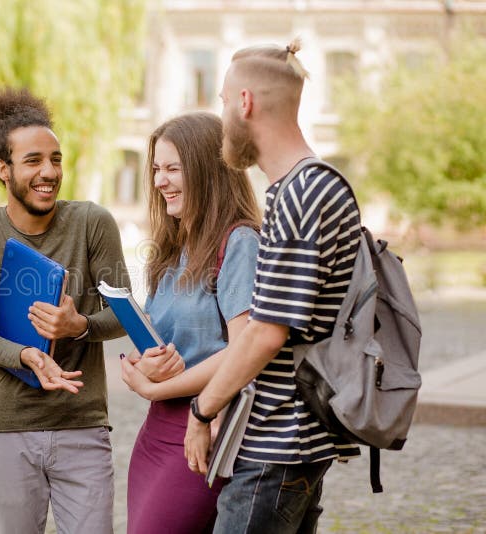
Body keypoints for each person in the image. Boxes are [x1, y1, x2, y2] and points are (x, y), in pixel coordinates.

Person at [182, 39, 362, 533]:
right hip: (295, 443)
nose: (220, 117)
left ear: (245, 103)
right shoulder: (309, 185)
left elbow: (266, 332)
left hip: (278, 445)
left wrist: (202, 411)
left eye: (221, 101)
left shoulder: (300, 193)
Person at [0, 87, 141, 534]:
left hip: (82, 426)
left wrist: (79, 327)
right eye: (33, 160)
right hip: (8, 429)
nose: (49, 172)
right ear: (3, 168)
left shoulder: (92, 223)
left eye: (55, 159)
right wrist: (25, 355)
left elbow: (126, 313)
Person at [119, 112, 260, 534]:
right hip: (156, 430)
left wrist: (155, 386)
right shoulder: (172, 248)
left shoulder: (240, 243)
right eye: (157, 169)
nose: (160, 181)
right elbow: (162, 340)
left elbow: (245, 351)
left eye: (173, 169)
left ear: (208, 171)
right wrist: (146, 366)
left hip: (205, 425)